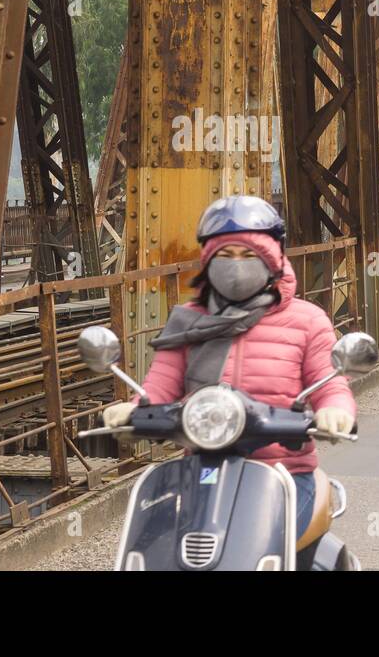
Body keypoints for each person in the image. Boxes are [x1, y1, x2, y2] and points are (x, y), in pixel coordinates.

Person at [101, 195, 355, 538]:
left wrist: (335, 412)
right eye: (225, 255)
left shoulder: (307, 321)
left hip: (283, 473)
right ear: (209, 262)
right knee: (160, 541)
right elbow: (160, 388)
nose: (237, 265)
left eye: (250, 255)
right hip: (202, 472)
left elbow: (329, 384)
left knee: (265, 541)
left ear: (272, 260)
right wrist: (133, 411)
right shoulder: (189, 321)